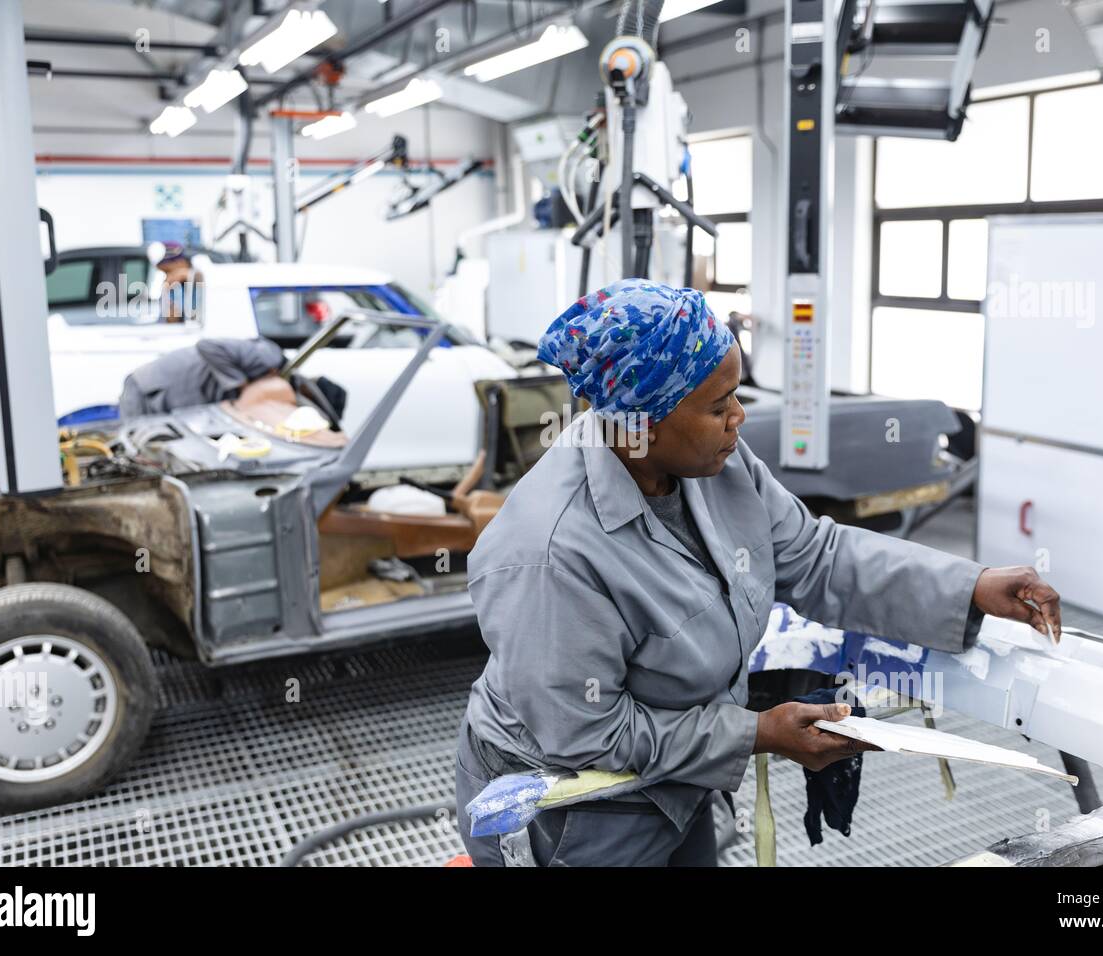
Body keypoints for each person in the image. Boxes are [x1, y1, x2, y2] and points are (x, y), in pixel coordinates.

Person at [454, 278, 1062, 867]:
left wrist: (970, 588)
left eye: (736, 396)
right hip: (575, 812)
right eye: (719, 406)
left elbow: (816, 557)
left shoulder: (715, 466)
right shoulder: (550, 554)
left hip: (675, 783)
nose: (739, 418)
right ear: (642, 424)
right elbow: (588, 734)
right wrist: (756, 733)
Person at [117, 337, 285, 420]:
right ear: (274, 371)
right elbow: (206, 345)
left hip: (165, 397)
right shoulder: (263, 357)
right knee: (136, 455)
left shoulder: (262, 363)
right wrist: (240, 384)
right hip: (143, 390)